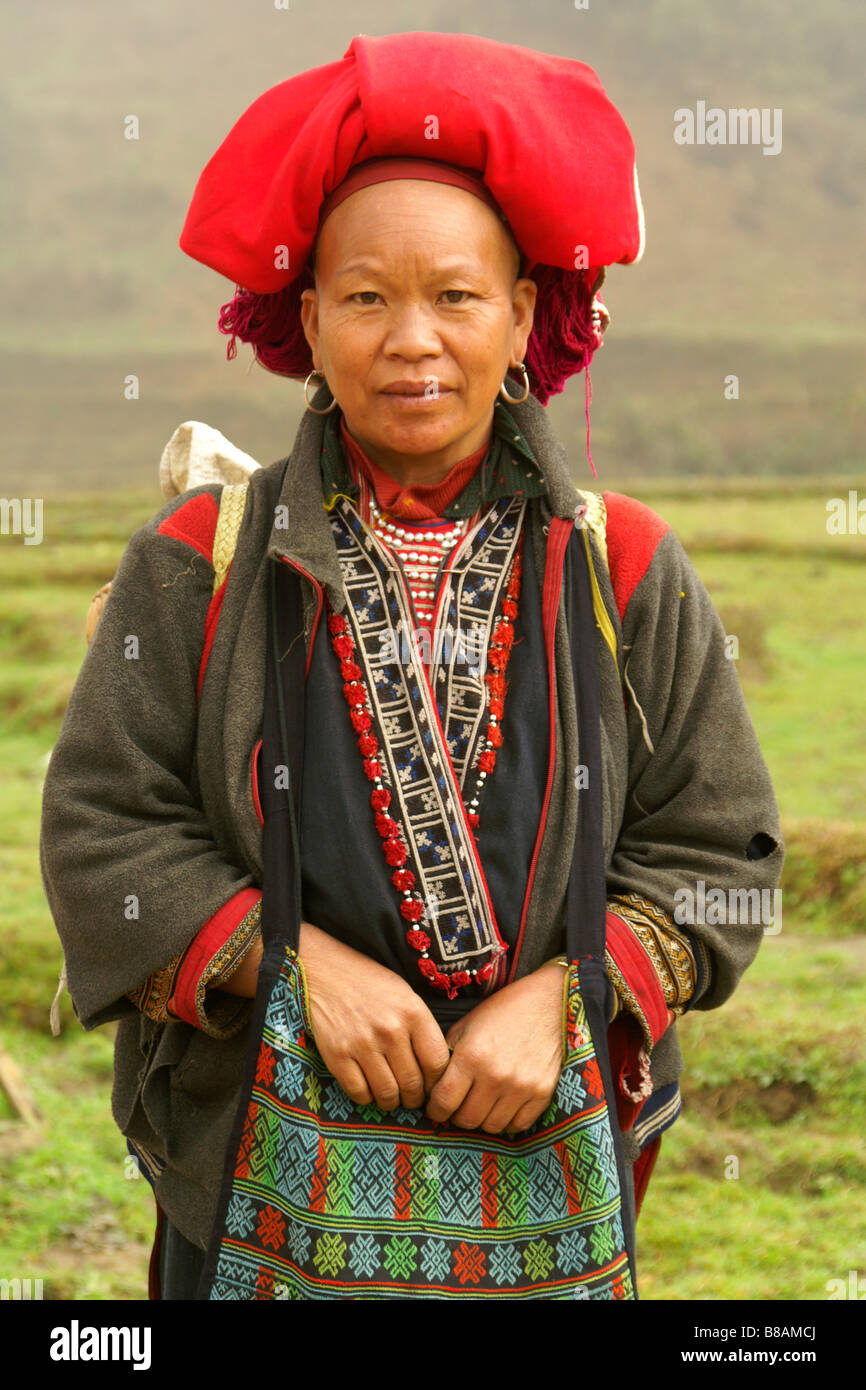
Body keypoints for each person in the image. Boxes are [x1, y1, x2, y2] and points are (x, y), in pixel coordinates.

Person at [39, 32, 784, 1300]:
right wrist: (282, 959)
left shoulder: (627, 568)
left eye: (454, 295)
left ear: (523, 316)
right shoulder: (195, 562)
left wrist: (570, 993)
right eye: (366, 296)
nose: (411, 338)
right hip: (253, 1175)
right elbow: (101, 825)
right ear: (307, 316)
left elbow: (723, 857)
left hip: (553, 1160)